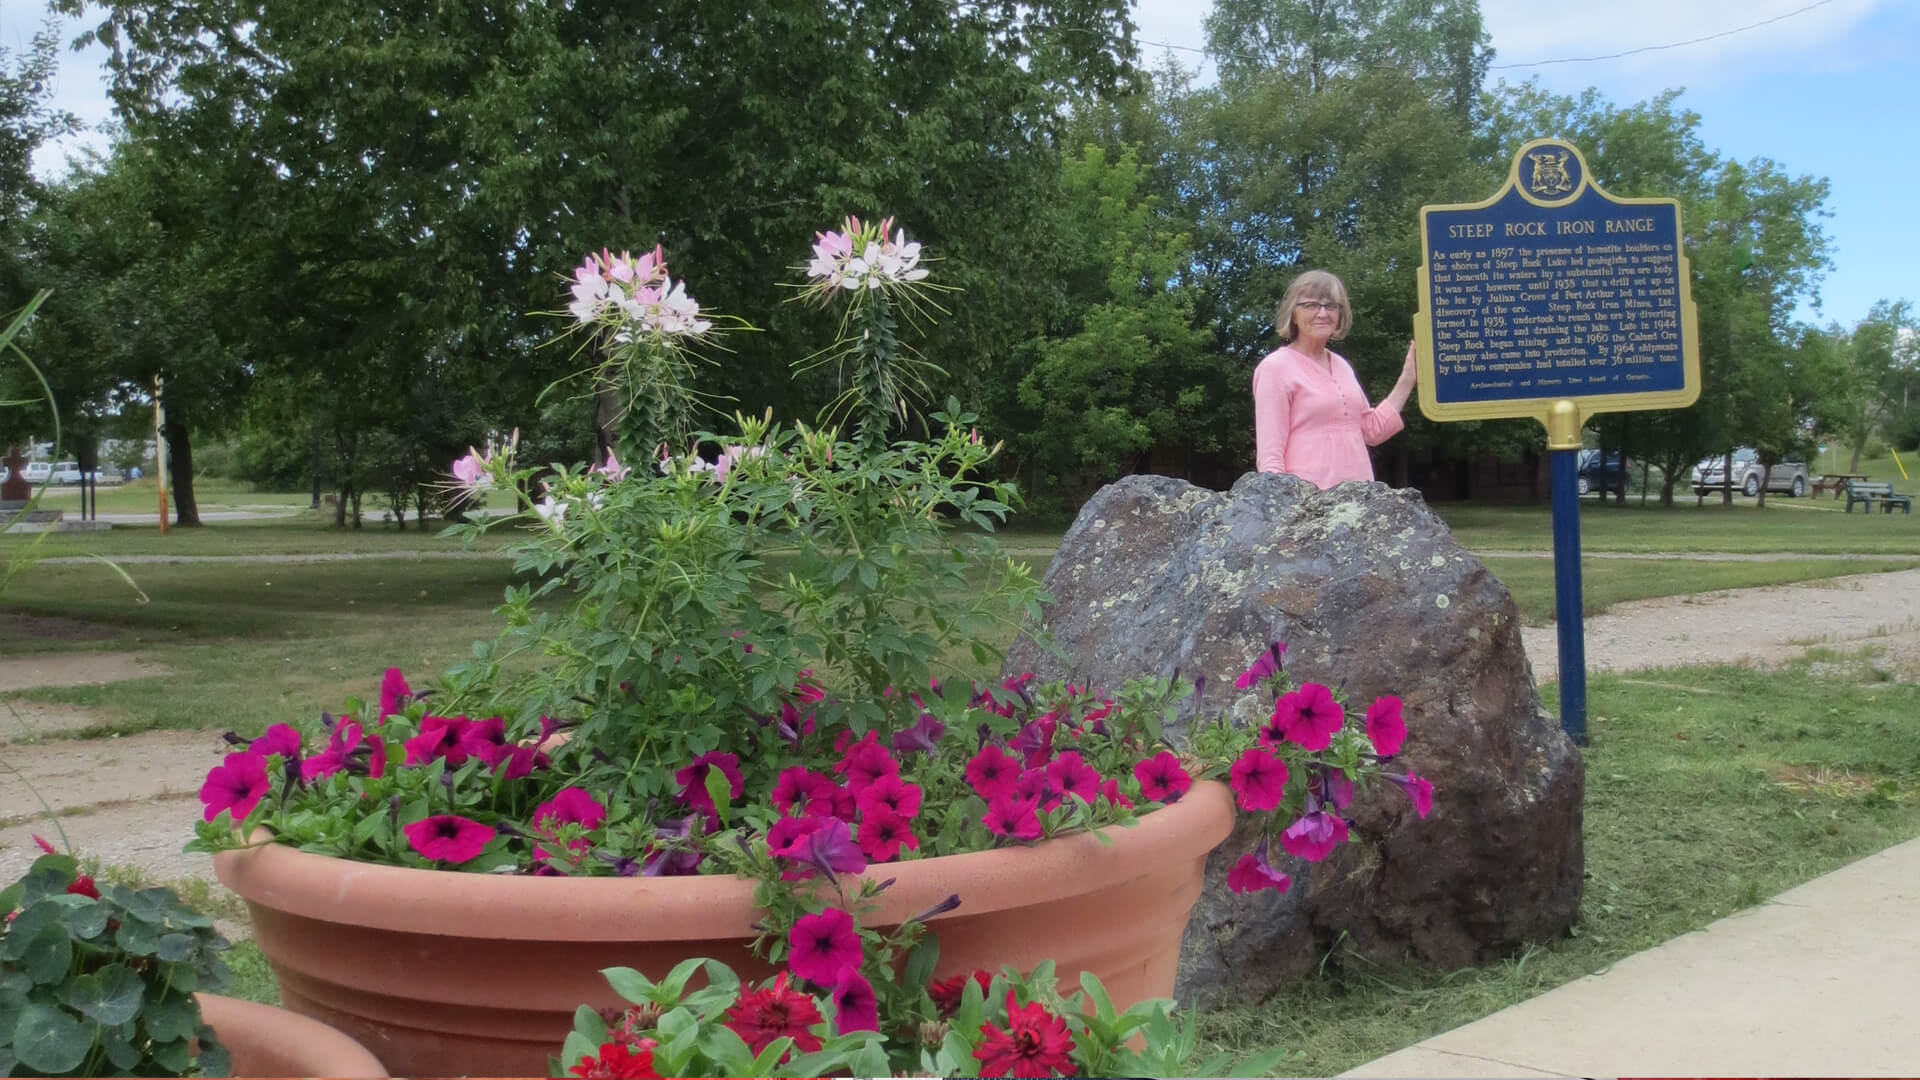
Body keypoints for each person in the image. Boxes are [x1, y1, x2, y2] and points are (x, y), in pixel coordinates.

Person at [1252, 270, 1417, 489]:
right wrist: (1281, 501)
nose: (1322, 313)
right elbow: (1270, 458)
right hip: (1309, 502)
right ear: (1293, 313)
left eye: (1331, 306)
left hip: (1360, 498)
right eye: (1311, 305)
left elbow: (1372, 430)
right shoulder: (1275, 367)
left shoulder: (1342, 366)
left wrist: (1408, 377)